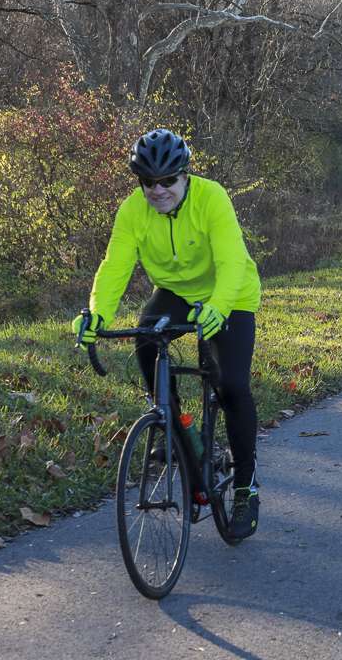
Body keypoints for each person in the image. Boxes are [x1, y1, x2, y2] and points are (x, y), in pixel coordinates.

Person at [71, 129, 263, 540]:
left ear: (185, 176)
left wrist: (219, 307)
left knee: (231, 384)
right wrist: (97, 315)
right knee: (145, 336)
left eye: (166, 182)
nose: (157, 191)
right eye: (147, 182)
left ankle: (246, 487)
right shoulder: (132, 212)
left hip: (231, 293)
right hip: (176, 291)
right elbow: (115, 265)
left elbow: (231, 261)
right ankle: (173, 423)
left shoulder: (212, 198)